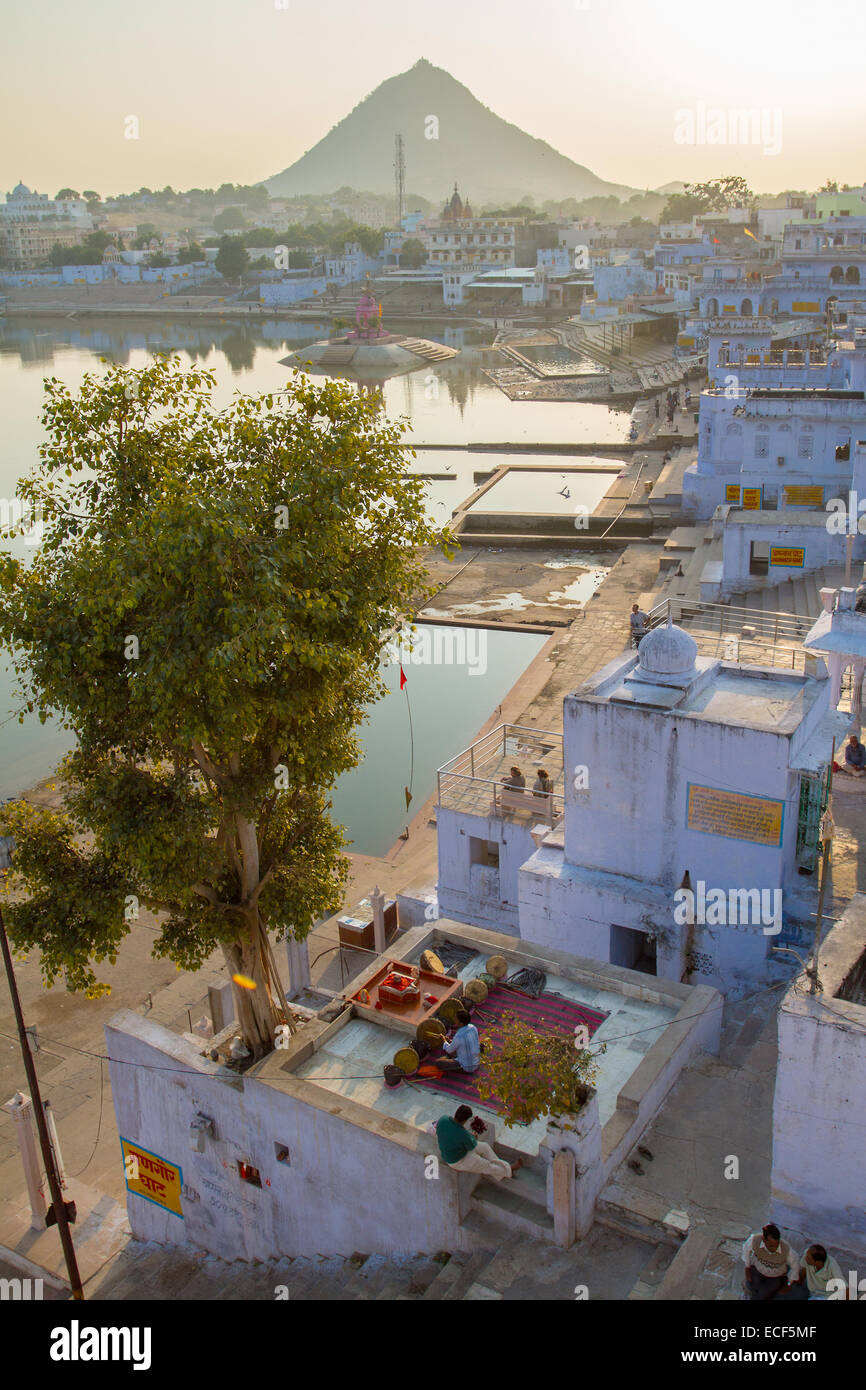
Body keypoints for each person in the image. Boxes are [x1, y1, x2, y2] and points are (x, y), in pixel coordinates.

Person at [435, 1104, 521, 1182]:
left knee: (485, 1147)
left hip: (455, 1150)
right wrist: (473, 1137)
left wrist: (468, 1137)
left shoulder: (443, 1119)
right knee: (485, 1164)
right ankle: (509, 1169)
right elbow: (471, 1146)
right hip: (457, 1160)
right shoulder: (462, 1134)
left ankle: (501, 1170)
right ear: (465, 1120)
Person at [742, 1224, 799, 1300]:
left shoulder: (786, 1250)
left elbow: (795, 1267)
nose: (775, 1248)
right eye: (771, 1246)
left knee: (763, 1294)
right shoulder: (754, 1240)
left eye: (777, 1245)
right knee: (752, 1286)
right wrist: (747, 1268)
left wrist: (789, 1284)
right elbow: (746, 1251)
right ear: (764, 1240)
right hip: (757, 1271)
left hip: (776, 1277)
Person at [776, 1244, 846, 1301]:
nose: (805, 1258)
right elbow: (803, 1273)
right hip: (814, 1295)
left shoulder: (832, 1266)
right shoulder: (807, 1255)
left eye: (808, 1258)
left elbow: (846, 1289)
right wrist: (790, 1283)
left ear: (817, 1262)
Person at [437, 1008, 480, 1074]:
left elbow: (449, 1050)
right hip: (476, 1062)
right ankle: (453, 1056)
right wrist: (451, 1041)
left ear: (461, 1023)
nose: (454, 1019)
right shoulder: (473, 1027)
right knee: (456, 1048)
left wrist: (444, 1040)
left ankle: (451, 1058)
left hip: (467, 1067)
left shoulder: (459, 1036)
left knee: (439, 1063)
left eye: (455, 1018)